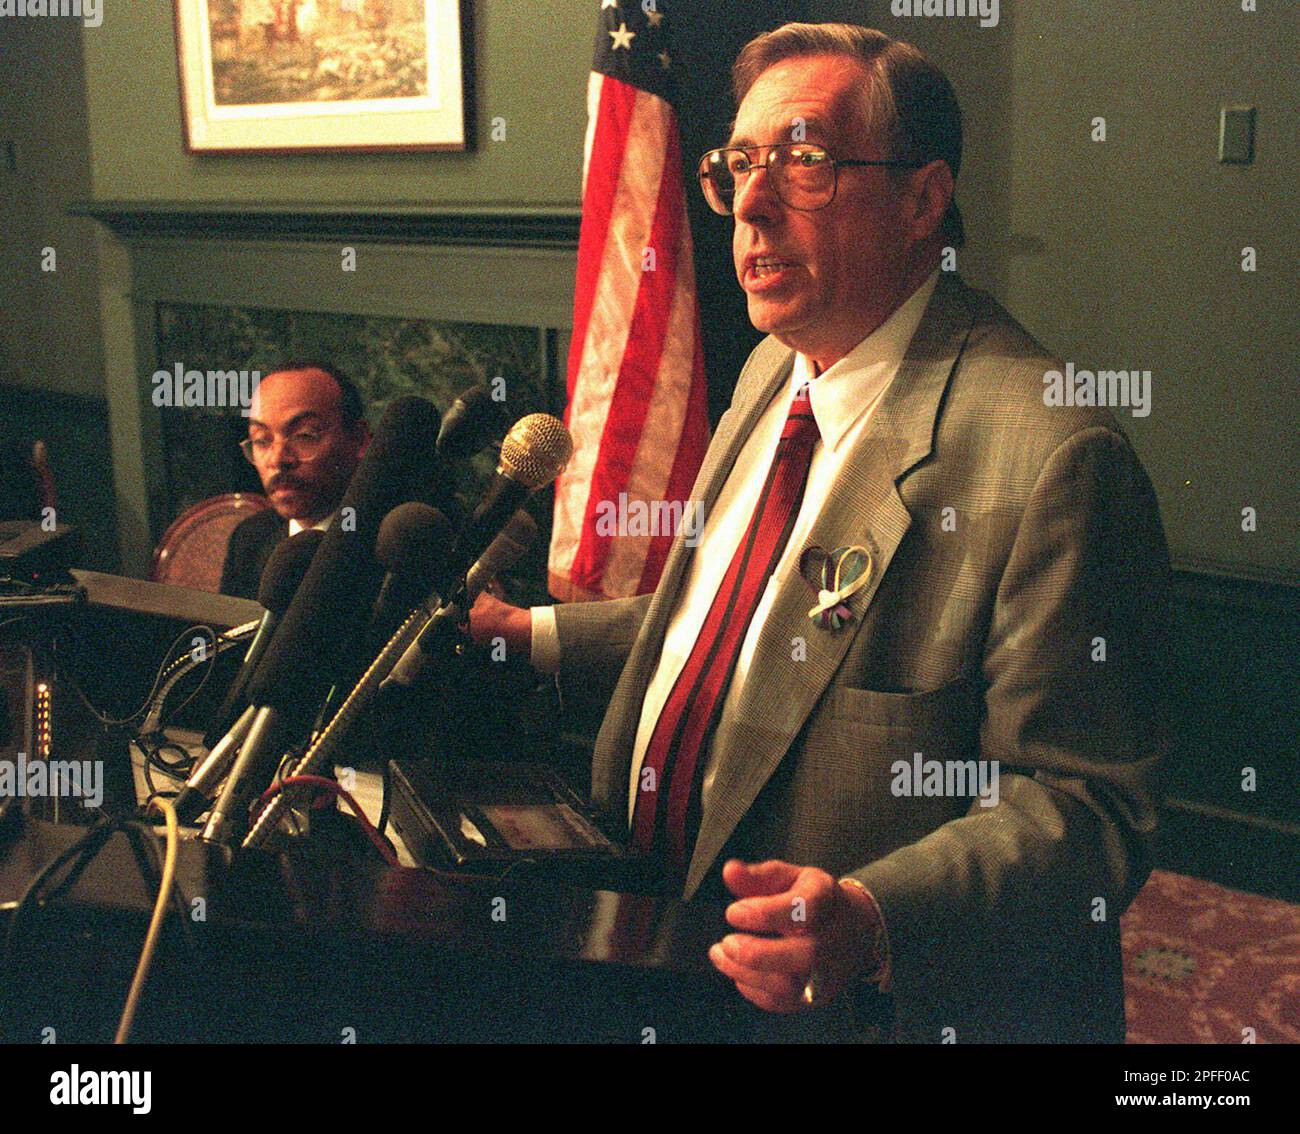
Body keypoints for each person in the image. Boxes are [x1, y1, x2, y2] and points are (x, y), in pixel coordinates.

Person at [472, 23, 1171, 1043]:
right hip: (659, 944)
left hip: (855, 1015)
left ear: (923, 199)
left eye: (802, 163)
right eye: (738, 165)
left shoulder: (1052, 457)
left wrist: (876, 919)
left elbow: (1086, 804)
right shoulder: (771, 371)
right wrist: (527, 637)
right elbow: (726, 625)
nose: (749, 204)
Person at [219, 361, 371, 600]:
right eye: (261, 439)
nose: (278, 459)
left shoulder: (394, 546)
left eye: (304, 436)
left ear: (360, 440)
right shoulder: (251, 540)